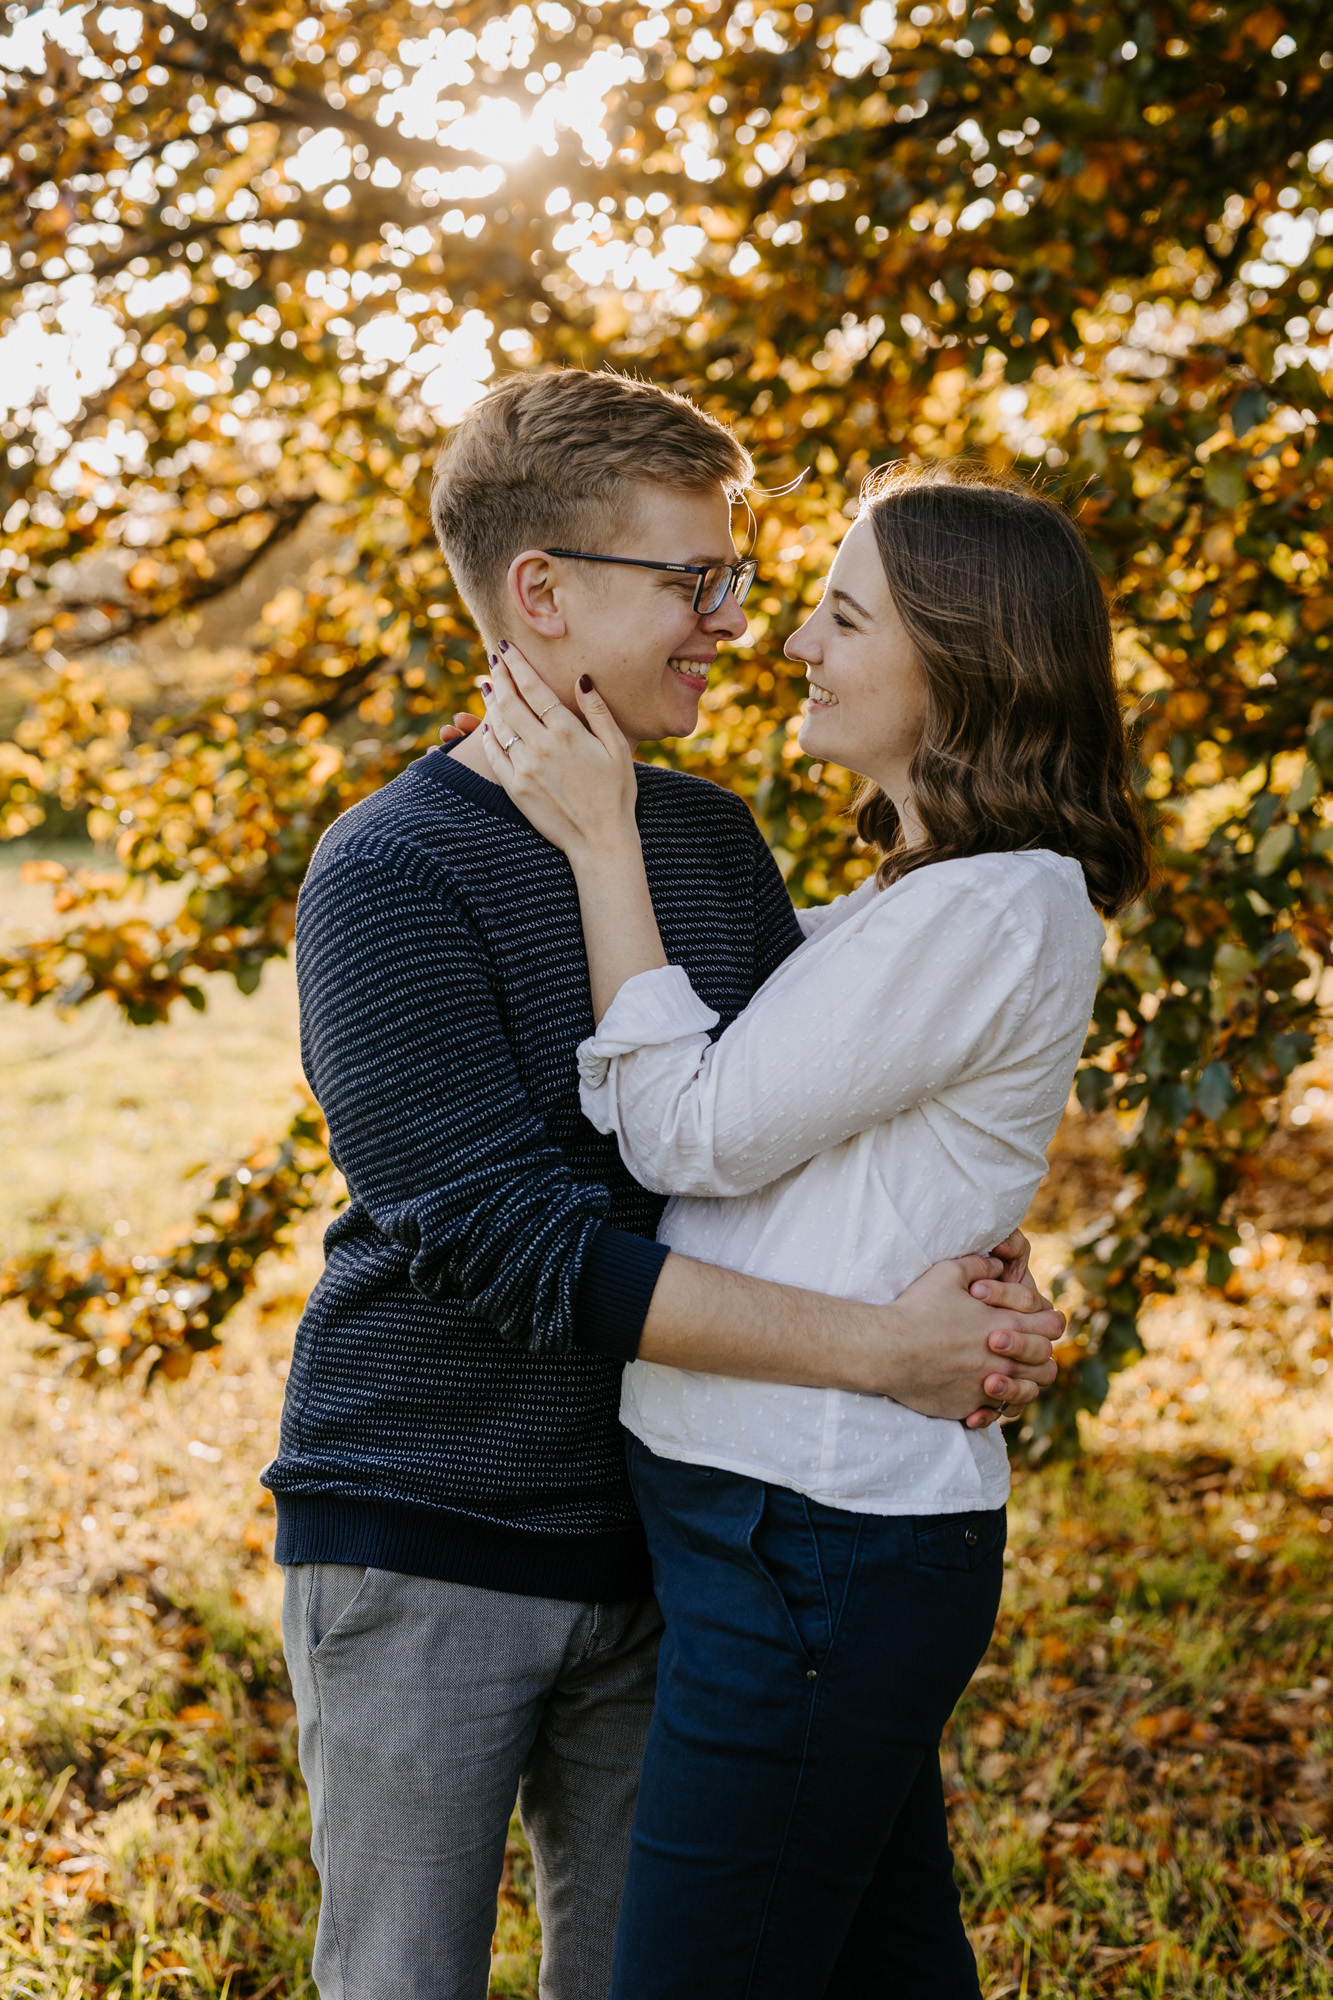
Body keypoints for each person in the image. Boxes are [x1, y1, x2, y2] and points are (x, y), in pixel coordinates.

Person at [262, 373, 1066, 2000]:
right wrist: (879, 1352)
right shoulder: (388, 865)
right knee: (401, 1978)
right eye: (689, 581)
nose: (729, 623)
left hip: (674, 1539)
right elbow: (504, 1247)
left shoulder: (706, 841)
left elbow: (801, 1144)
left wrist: (970, 1265)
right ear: (541, 593)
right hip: (430, 1530)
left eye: (738, 580)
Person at [474, 455, 1152, 2000]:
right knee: (878, 1966)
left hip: (817, 1540)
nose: (789, 646)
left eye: (841, 619)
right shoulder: (908, 906)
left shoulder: (992, 907)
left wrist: (598, 840)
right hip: (769, 1526)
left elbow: (687, 1127)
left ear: (961, 665)